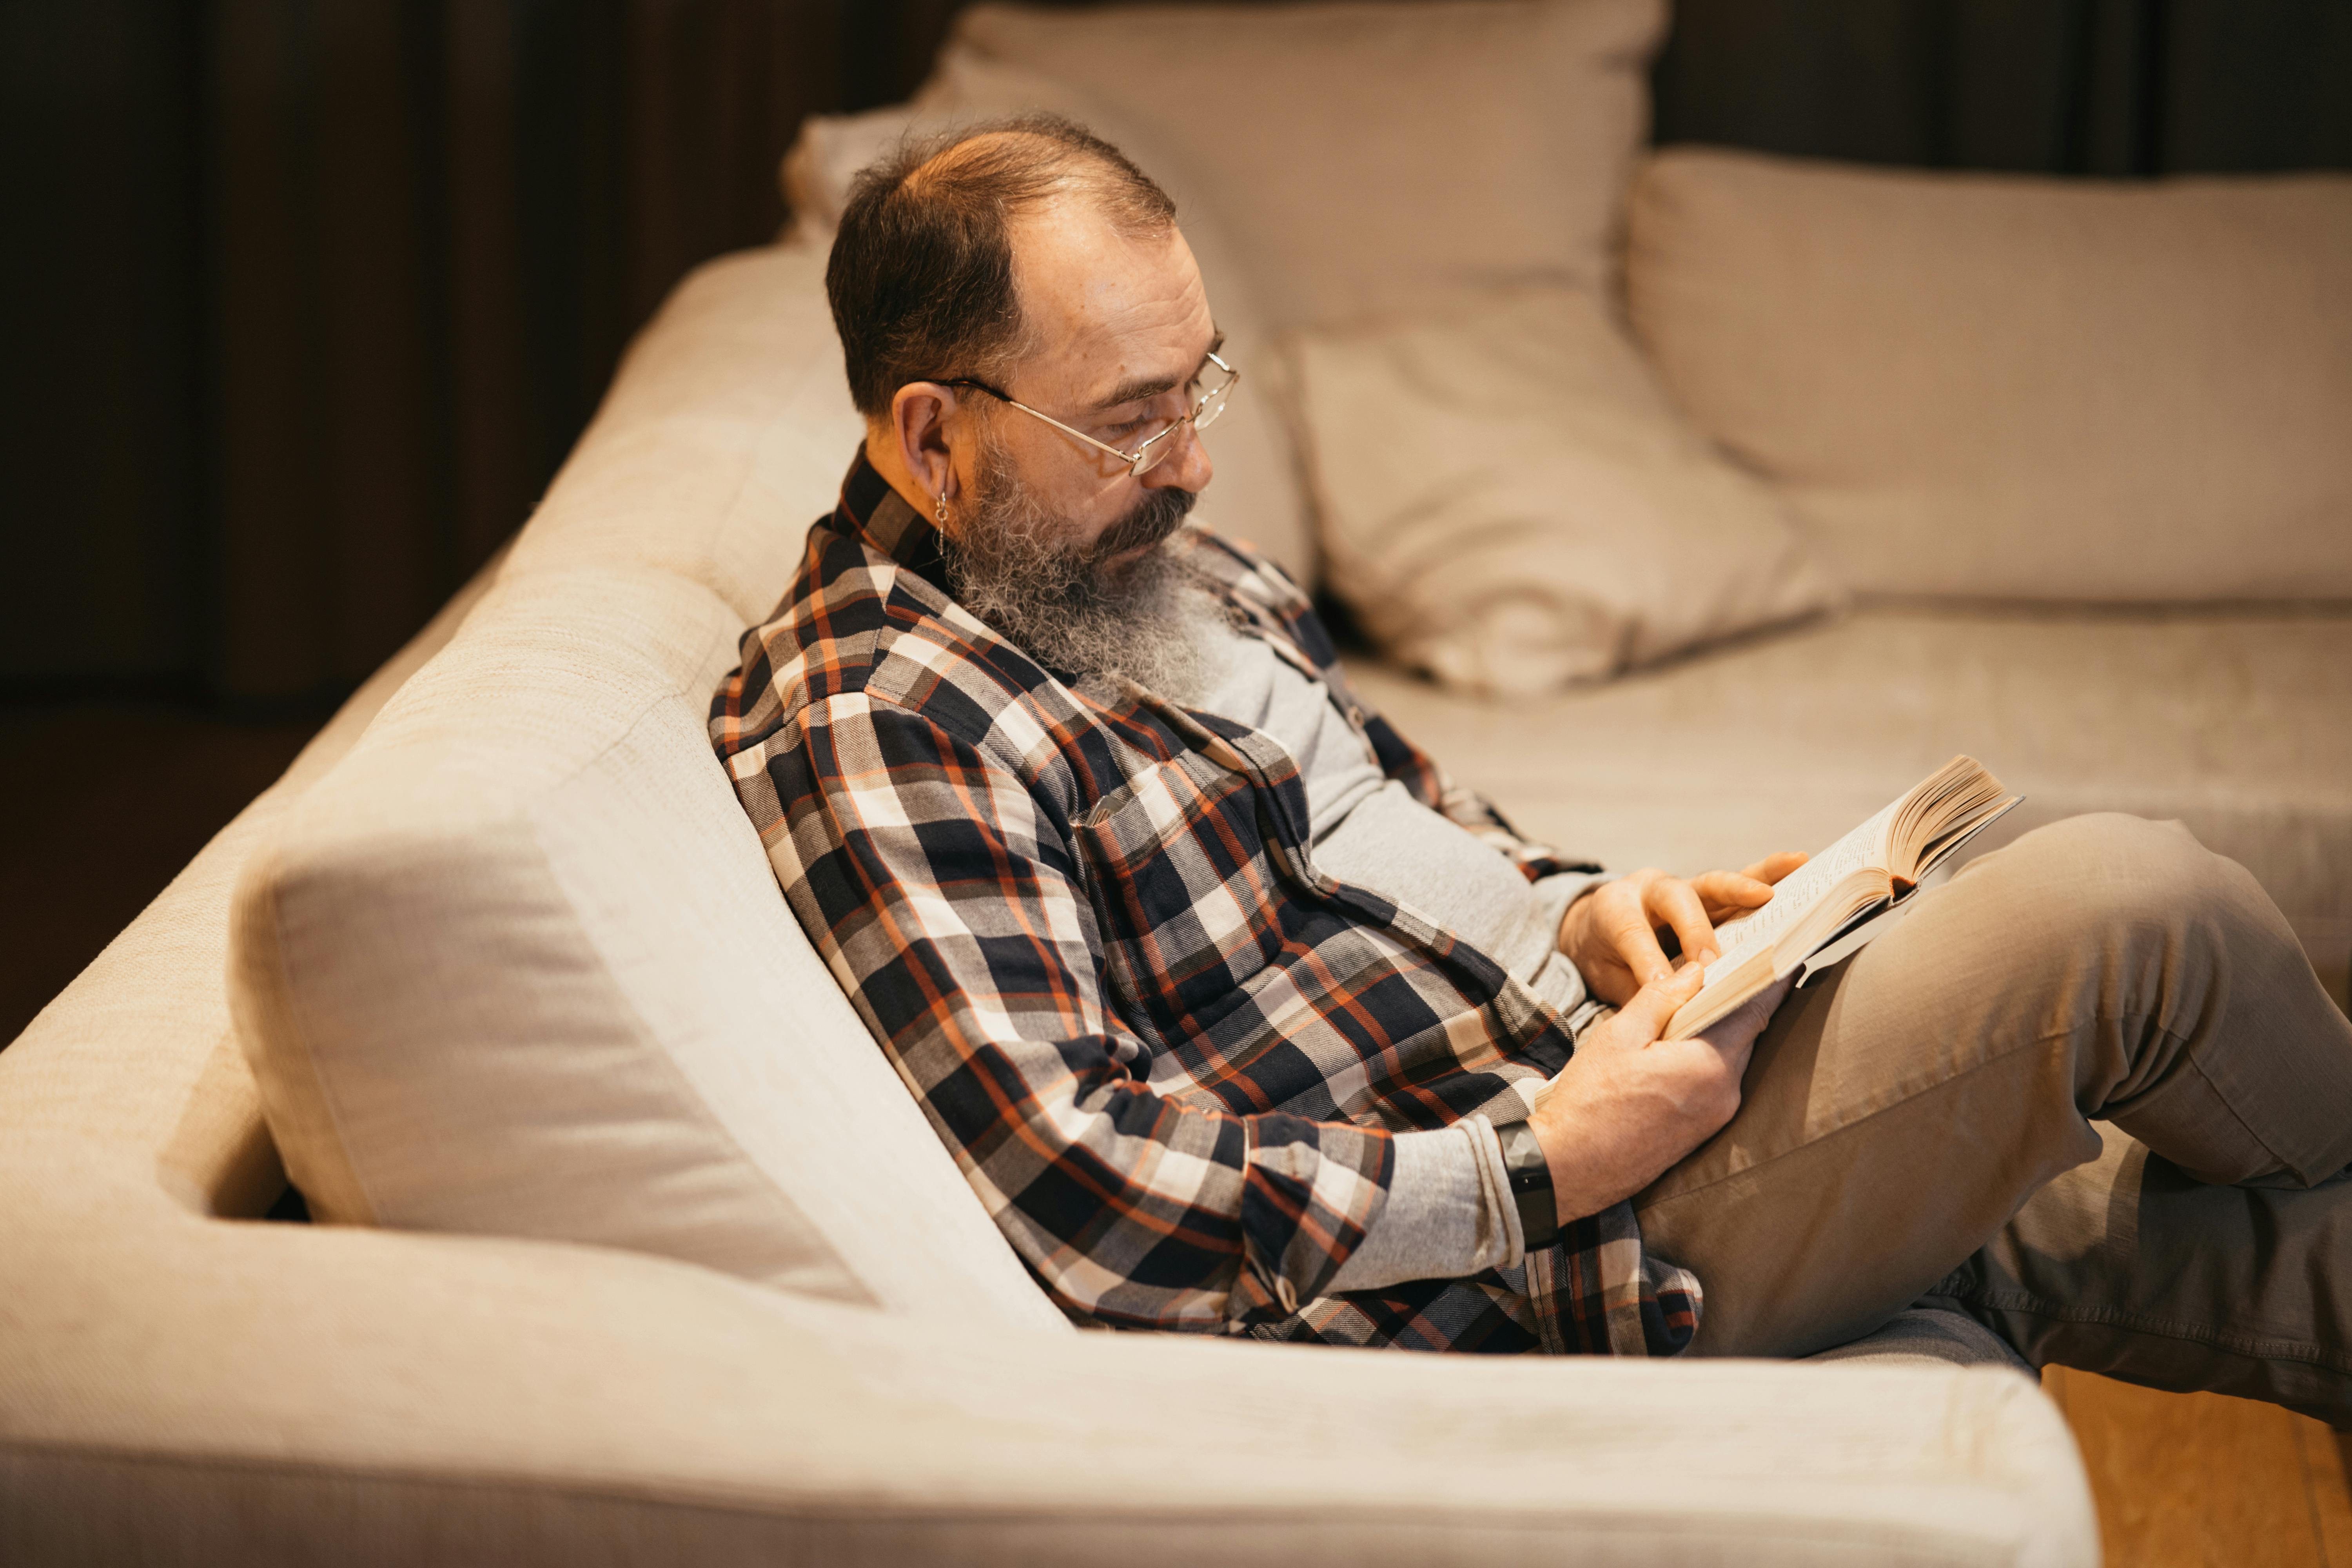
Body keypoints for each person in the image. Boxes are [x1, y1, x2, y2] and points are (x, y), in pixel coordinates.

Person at [710, 115, 2352, 1417]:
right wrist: (1539, 1164)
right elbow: (1089, 1189)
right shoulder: (890, 723)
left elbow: (1412, 815)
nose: (1195, 464)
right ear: (933, 436)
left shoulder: (1130, 570)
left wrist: (1592, 914)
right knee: (2135, 905)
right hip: (1546, 1245)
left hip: (1612, 1074)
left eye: (1201, 383)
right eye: (1134, 417)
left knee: (2283, 1249)